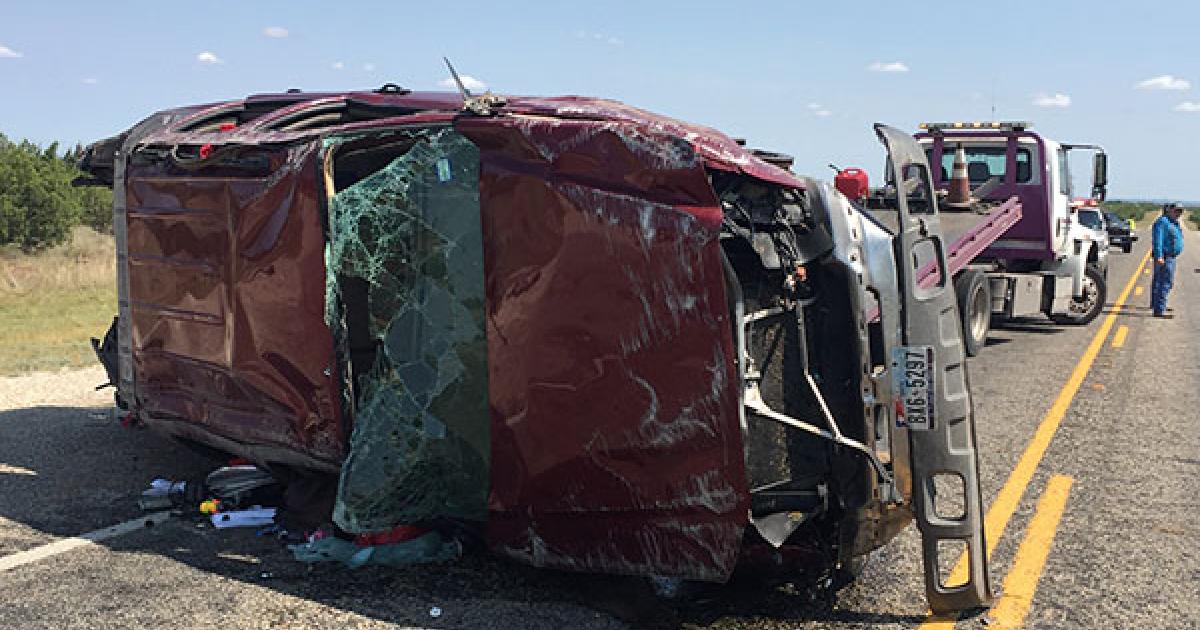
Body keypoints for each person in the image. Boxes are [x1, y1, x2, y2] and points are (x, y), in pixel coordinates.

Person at [1150, 203, 1185, 318]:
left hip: (1170, 256)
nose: (1178, 214)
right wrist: (1159, 256)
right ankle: (1159, 310)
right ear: (1169, 210)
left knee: (1163, 282)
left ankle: (1159, 305)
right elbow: (1158, 240)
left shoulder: (1173, 222)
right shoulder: (1163, 222)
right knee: (1165, 282)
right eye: (1176, 211)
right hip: (1165, 256)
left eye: (1180, 211)